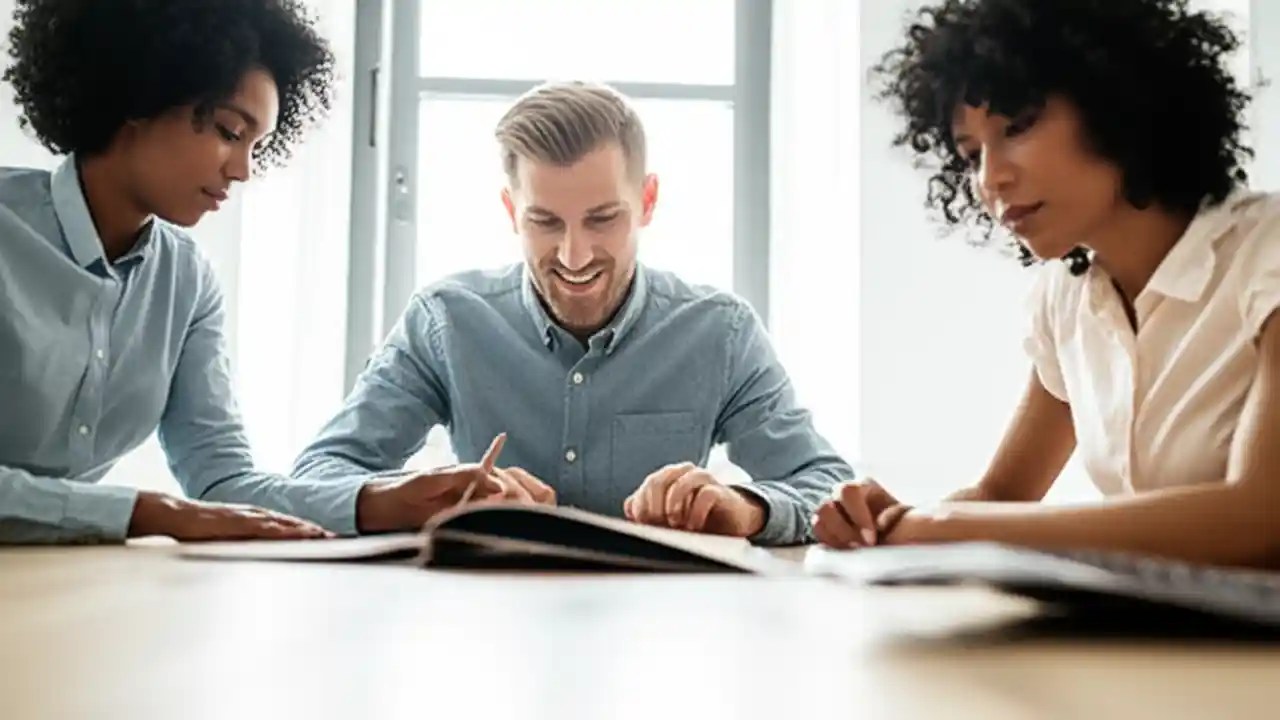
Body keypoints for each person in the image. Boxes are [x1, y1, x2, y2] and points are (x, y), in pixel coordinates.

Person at [0, 0, 509, 544]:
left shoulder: (186, 281)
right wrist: (147, 513)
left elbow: (222, 481)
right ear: (141, 96)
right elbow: (174, 511)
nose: (242, 170)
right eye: (228, 131)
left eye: (256, 147)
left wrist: (382, 501)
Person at [814, 0, 1280, 568]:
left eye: (1017, 128)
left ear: (1119, 106)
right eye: (970, 154)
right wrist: (891, 523)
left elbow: (1259, 517)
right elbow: (998, 499)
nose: (990, 178)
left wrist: (948, 527)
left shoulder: (1266, 253)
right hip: (1166, 643)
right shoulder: (1068, 294)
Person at [294, 81, 853, 546]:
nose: (574, 256)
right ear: (512, 211)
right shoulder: (446, 322)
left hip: (668, 634)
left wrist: (747, 508)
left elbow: (827, 485)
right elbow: (317, 478)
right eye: (545, 222)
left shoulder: (721, 333)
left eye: (603, 219)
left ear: (648, 202)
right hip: (485, 626)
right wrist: (427, 498)